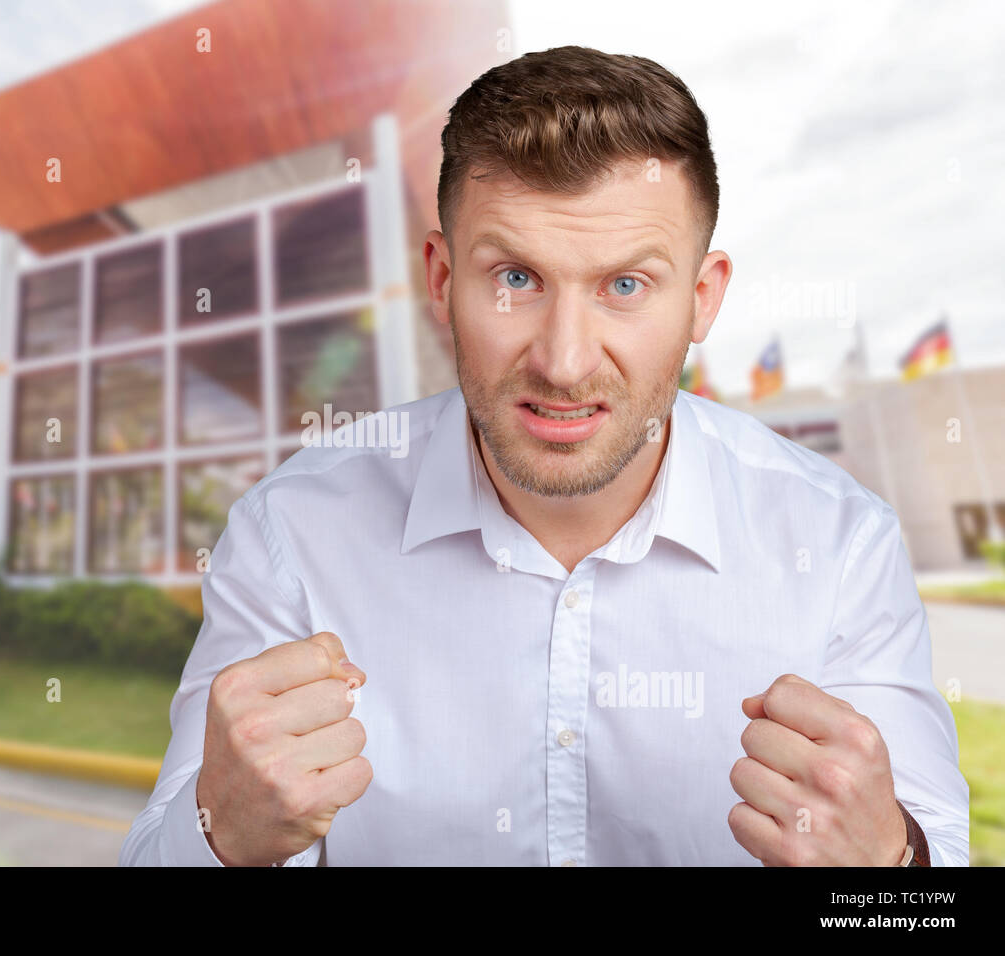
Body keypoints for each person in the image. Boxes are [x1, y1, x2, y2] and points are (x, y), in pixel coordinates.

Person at [120, 44, 969, 867]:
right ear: (443, 281)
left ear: (702, 299)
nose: (564, 362)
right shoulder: (292, 534)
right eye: (515, 279)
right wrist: (219, 838)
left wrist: (891, 871)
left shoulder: (841, 545)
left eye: (625, 285)